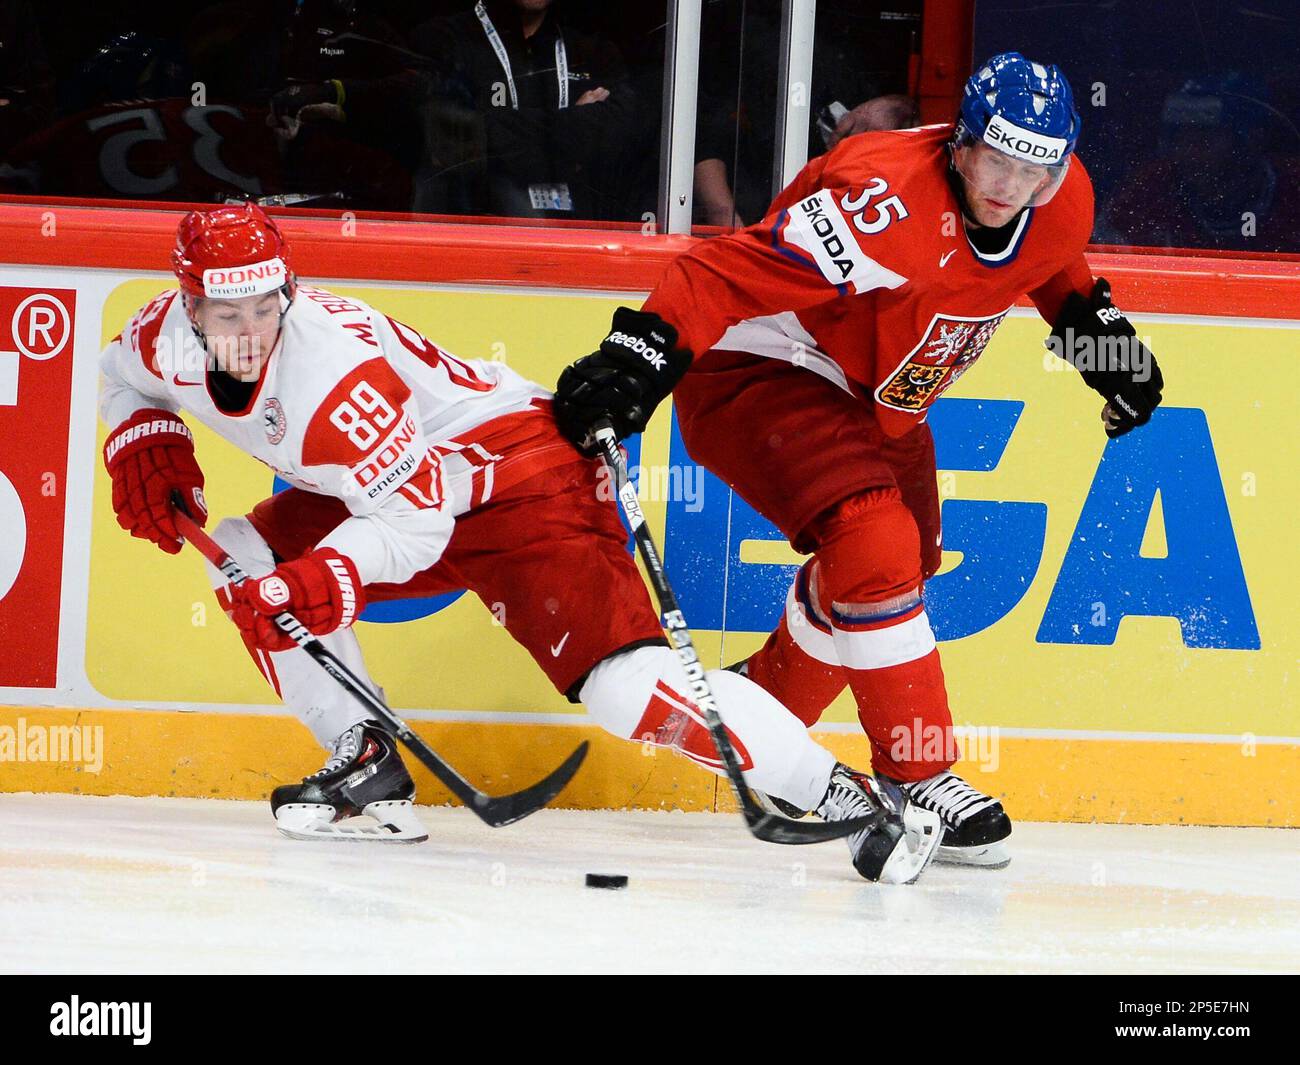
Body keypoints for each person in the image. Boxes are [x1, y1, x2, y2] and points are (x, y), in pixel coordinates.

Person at [96, 202, 941, 883]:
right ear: (188, 303)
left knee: (622, 690)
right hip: (405, 483)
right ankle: (364, 757)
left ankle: (852, 798)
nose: (247, 330)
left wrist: (331, 576)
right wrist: (139, 441)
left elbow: (417, 523)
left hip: (517, 474)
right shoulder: (160, 336)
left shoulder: (330, 378)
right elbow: (118, 375)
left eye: (263, 307)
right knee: (253, 558)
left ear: (288, 293)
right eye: (223, 311)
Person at [553, 52, 1168, 868]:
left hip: (881, 394)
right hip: (765, 364)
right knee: (874, 545)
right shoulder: (881, 206)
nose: (1011, 186)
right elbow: (721, 269)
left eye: (1035, 168)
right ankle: (920, 779)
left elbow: (1049, 265)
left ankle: (763, 716)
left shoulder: (1060, 197)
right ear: (961, 143)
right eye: (997, 159)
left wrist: (1106, 348)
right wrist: (639, 356)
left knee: (897, 563)